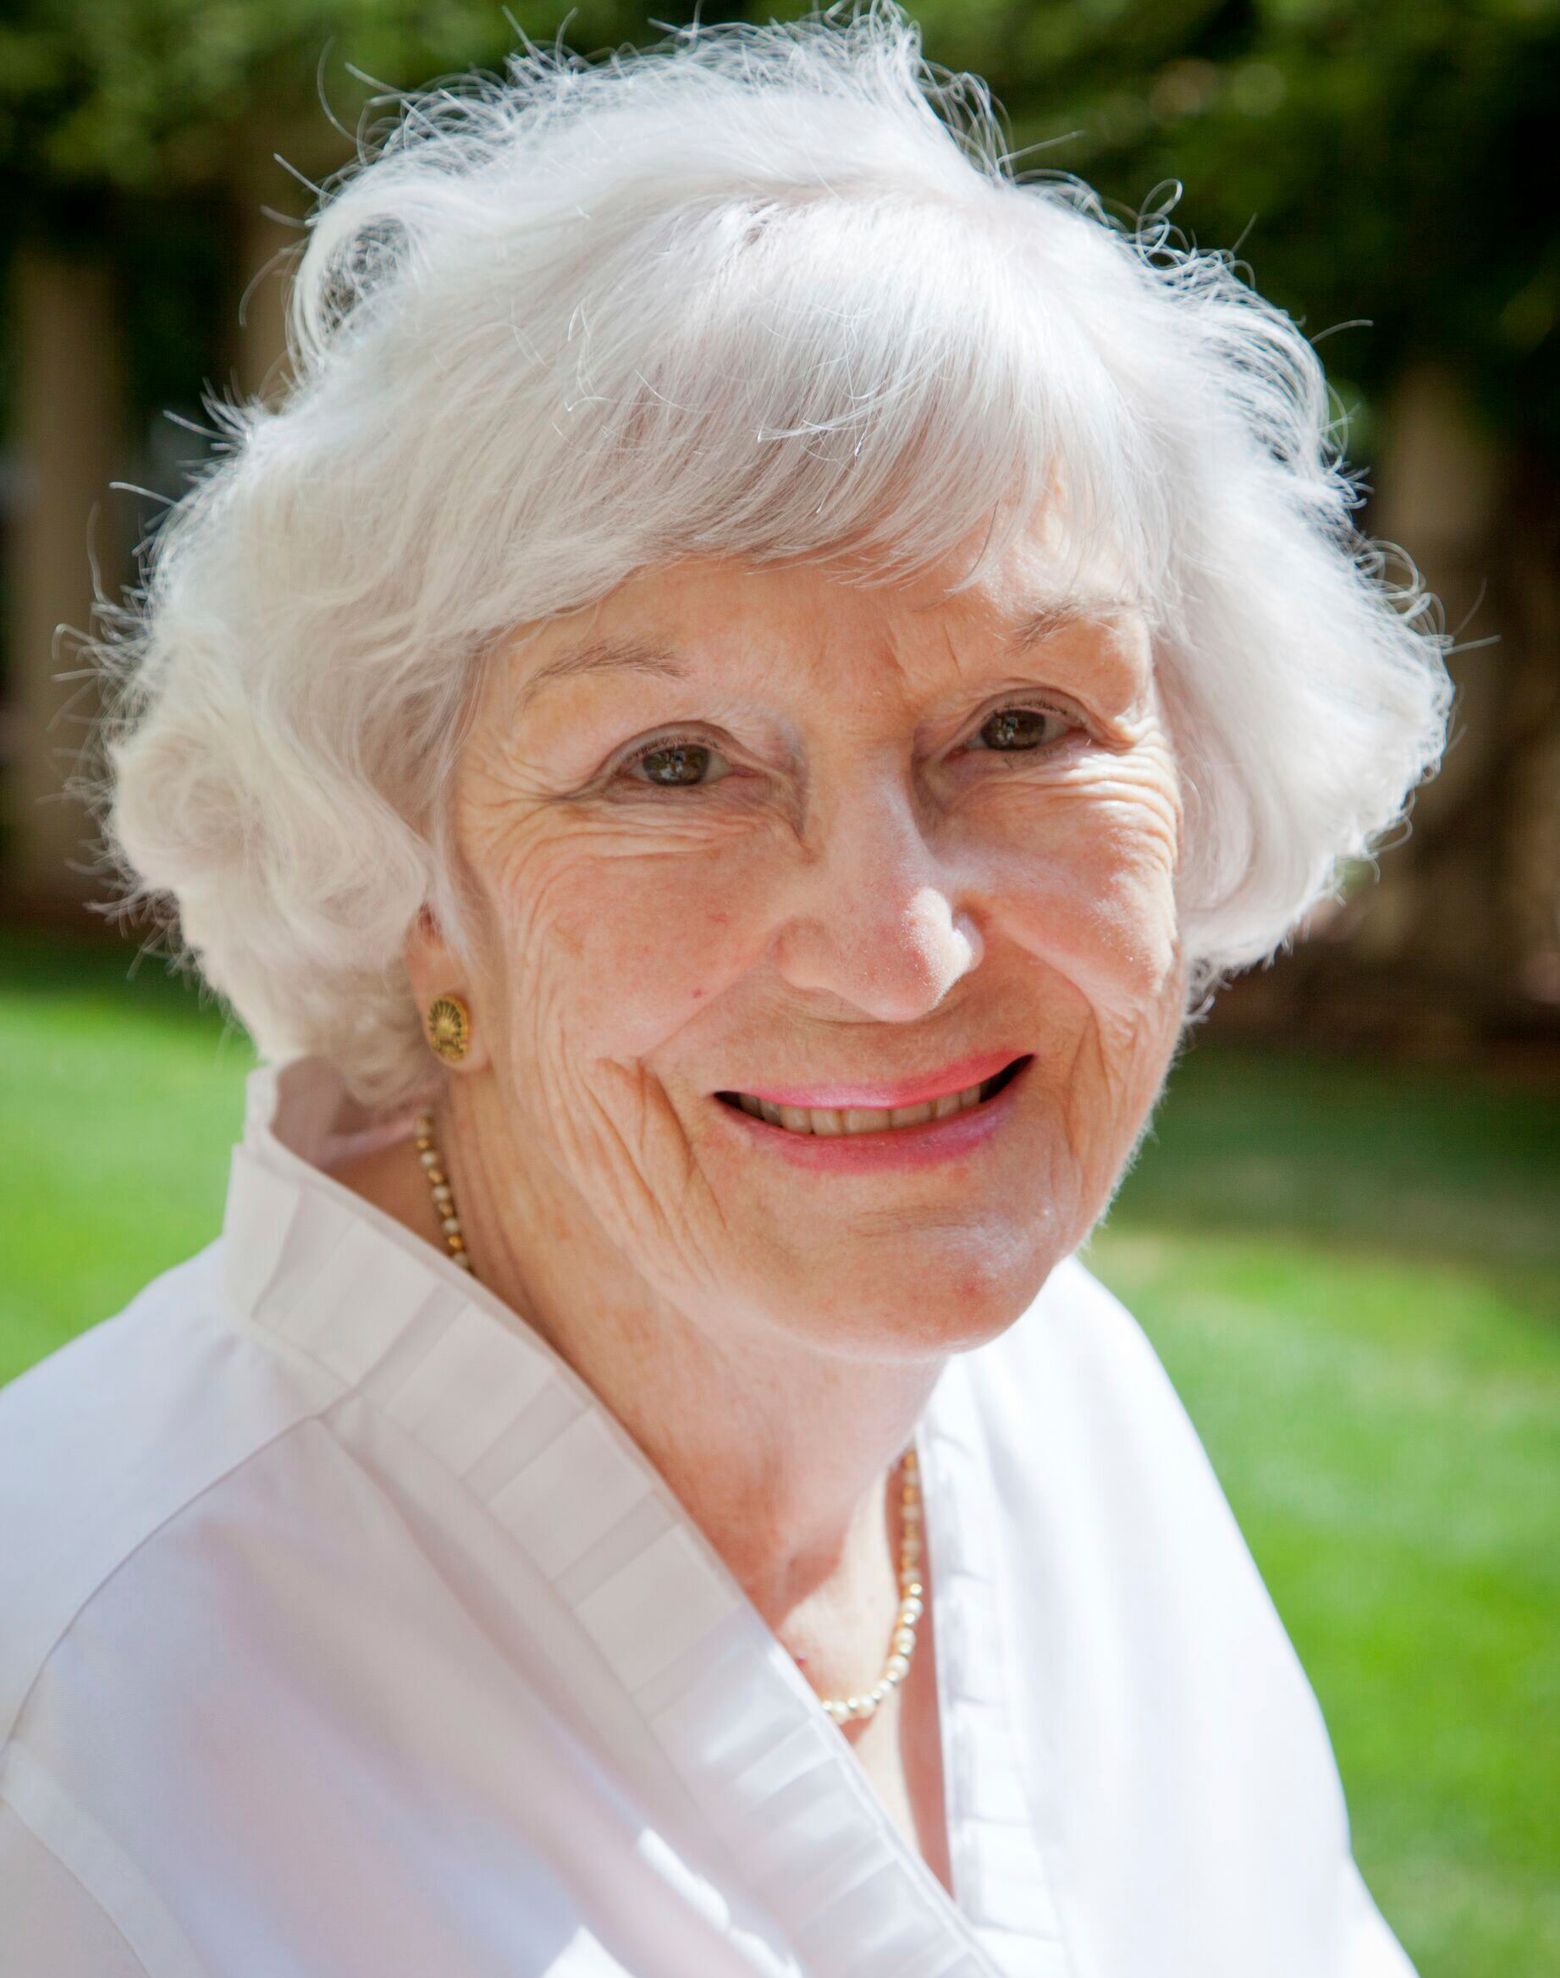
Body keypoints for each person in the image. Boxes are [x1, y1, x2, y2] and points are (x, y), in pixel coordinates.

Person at [0, 8, 1449, 1974]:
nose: (900, 944)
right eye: (674, 763)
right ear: (414, 889)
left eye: (1022, 724)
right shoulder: (77, 1728)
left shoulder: (1074, 1402)